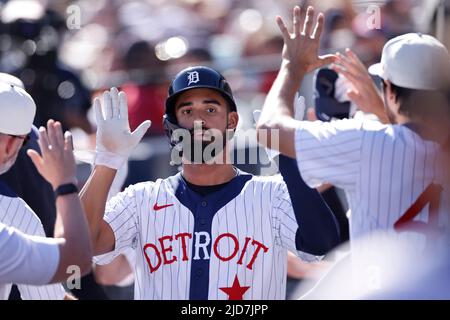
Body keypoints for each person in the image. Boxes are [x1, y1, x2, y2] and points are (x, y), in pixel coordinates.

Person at [80, 66, 339, 300]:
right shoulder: (141, 199)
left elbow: (320, 242)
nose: (199, 121)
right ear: (171, 126)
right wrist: (107, 160)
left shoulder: (271, 194)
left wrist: (287, 153)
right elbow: (82, 246)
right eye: (187, 111)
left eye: (211, 109)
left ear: (233, 121)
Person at [257, 4, 450, 267]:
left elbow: (270, 130)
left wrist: (292, 66)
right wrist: (382, 111)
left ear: (390, 90)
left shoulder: (366, 140)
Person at [0, 82, 92, 286]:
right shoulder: (17, 211)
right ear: (11, 144)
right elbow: (76, 259)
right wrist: (65, 184)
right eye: (23, 140)